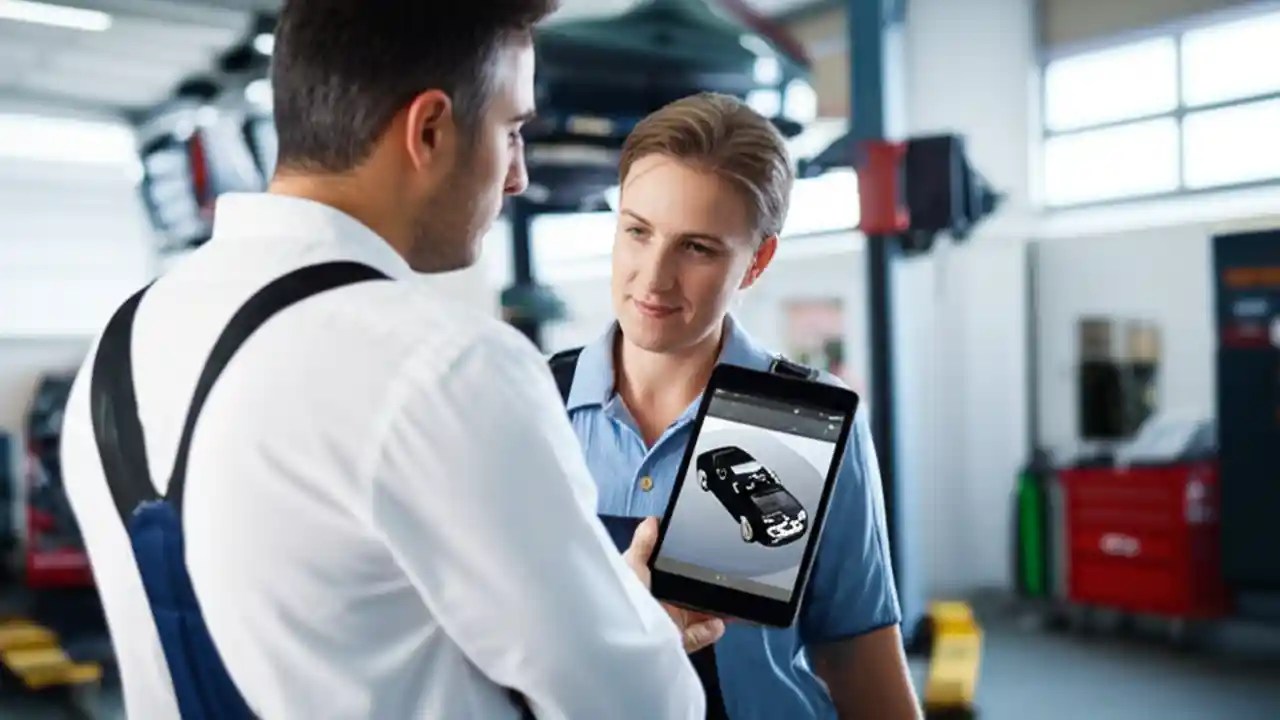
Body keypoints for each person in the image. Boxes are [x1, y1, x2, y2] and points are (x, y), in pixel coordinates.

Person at [58, 2, 719, 718]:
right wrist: (639, 633)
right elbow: (635, 706)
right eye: (512, 130)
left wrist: (600, 604)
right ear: (429, 130)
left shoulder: (122, 342)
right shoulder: (446, 365)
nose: (518, 176)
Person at [557, 93, 922, 719]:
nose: (653, 276)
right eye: (637, 231)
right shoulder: (536, 404)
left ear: (757, 261)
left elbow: (860, 657)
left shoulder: (799, 420)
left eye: (697, 248)